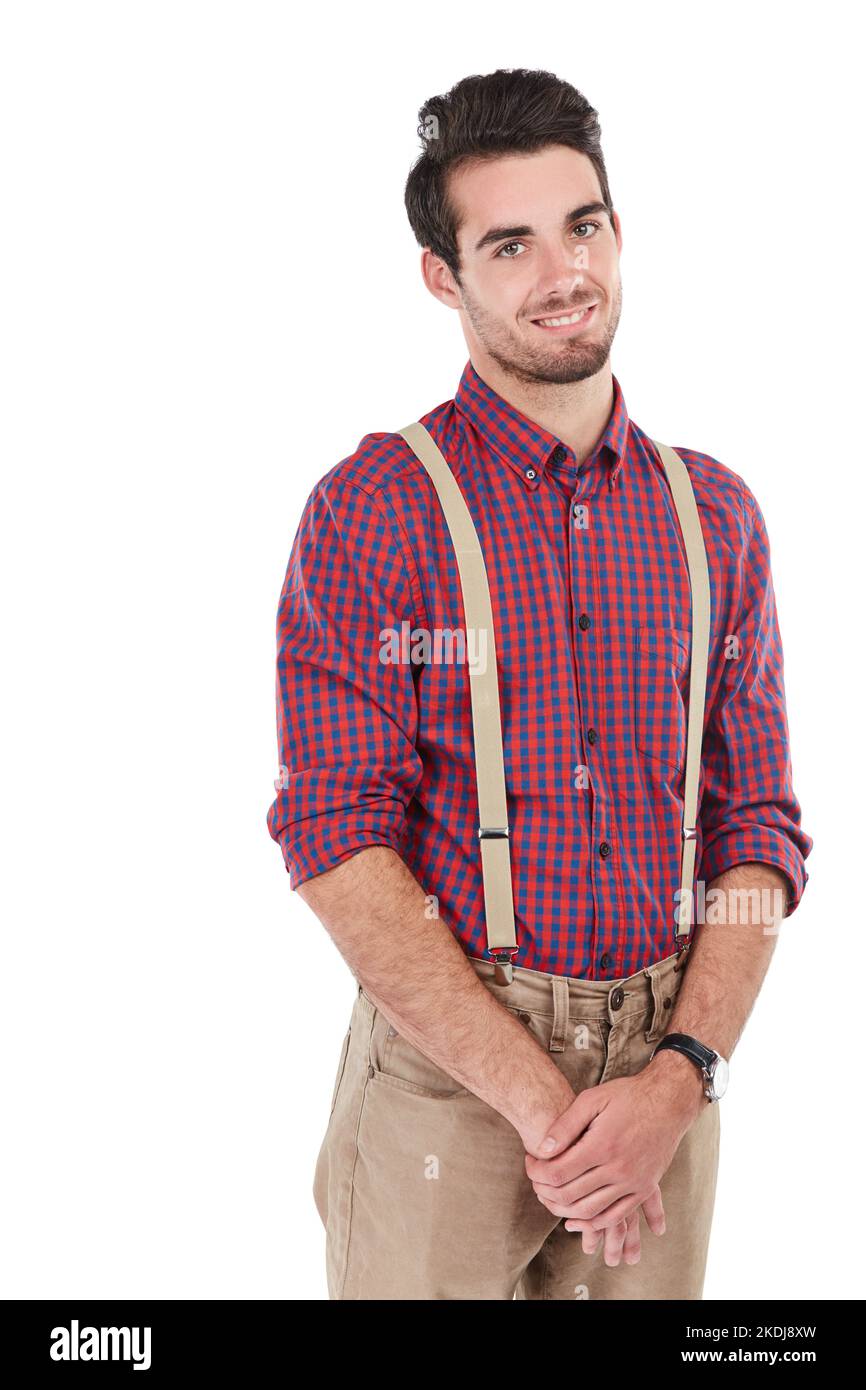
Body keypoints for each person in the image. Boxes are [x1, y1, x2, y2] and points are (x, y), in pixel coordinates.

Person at [266, 67, 812, 1300]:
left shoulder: (713, 514)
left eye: (582, 225)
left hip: (661, 1078)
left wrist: (676, 1081)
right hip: (448, 1082)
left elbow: (755, 834)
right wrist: (549, 1108)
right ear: (442, 277)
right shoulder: (375, 509)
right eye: (508, 243)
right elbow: (335, 839)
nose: (562, 271)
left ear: (617, 229)